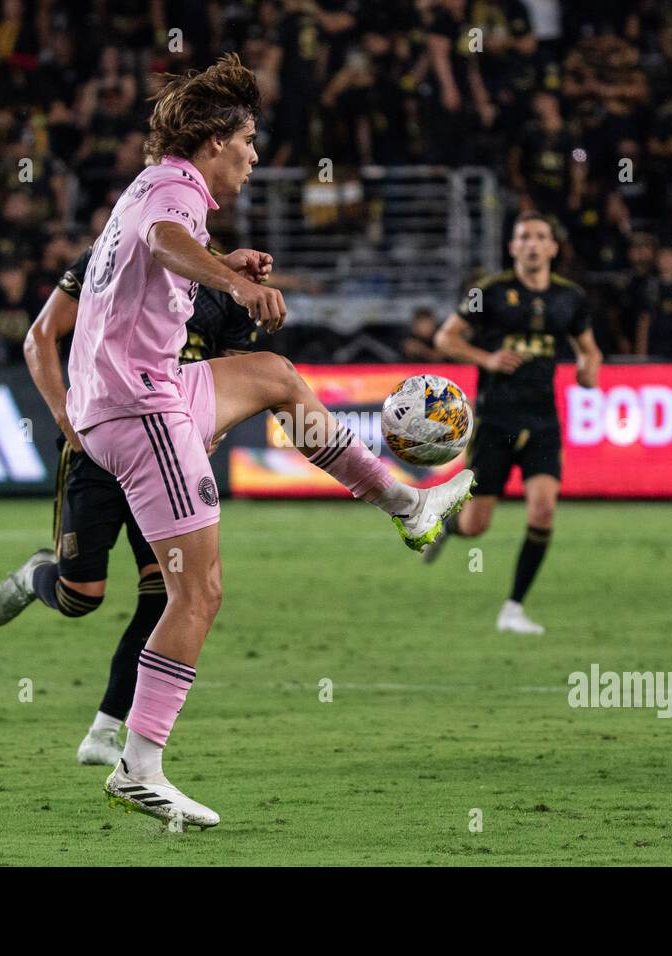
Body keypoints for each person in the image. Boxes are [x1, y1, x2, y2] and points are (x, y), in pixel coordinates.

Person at [57, 55, 474, 828]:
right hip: (140, 409)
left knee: (279, 377)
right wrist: (233, 282)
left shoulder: (154, 185)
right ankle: (138, 767)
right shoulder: (175, 192)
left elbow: (164, 251)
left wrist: (224, 263)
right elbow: (168, 242)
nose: (255, 157)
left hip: (135, 393)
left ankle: (406, 504)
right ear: (215, 141)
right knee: (199, 592)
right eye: (249, 141)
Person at [0, 237, 261, 769]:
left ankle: (105, 732)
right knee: (80, 596)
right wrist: (69, 420)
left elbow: (231, 381)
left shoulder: (223, 288)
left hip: (168, 454)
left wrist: (210, 429)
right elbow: (39, 337)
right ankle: (36, 576)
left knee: (167, 595)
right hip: (101, 442)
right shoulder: (114, 256)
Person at [426, 212, 603, 635]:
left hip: (542, 419)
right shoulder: (490, 292)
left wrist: (588, 370)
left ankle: (514, 608)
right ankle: (449, 524)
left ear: (554, 248)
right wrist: (487, 359)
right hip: (497, 419)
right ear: (512, 247)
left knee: (543, 512)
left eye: (541, 237)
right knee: (476, 526)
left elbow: (590, 351)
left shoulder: (570, 298)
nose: (533, 244)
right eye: (524, 237)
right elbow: (444, 338)